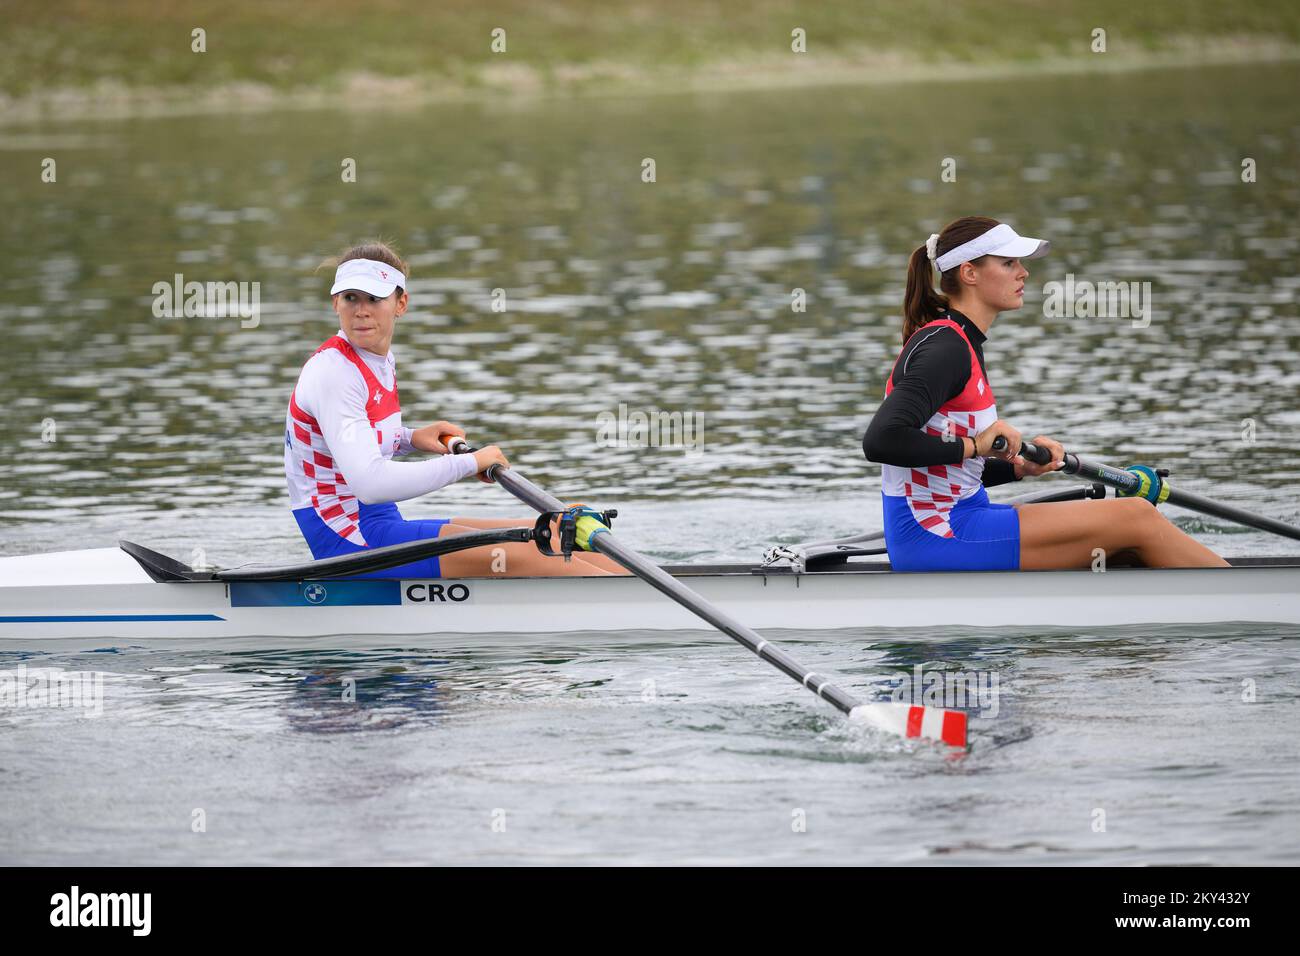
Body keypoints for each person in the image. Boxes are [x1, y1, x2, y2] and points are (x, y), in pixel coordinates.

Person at [862, 217, 1228, 572]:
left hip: (961, 517)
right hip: (936, 534)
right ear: (969, 273)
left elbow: (948, 473)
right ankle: (1241, 598)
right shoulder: (945, 349)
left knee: (1125, 546)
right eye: (1008, 263)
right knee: (1135, 516)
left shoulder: (959, 341)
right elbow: (882, 441)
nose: (1023, 273)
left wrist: (1018, 468)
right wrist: (977, 445)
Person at [285, 240, 625, 577]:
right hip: (349, 541)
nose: (361, 310)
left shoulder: (376, 359)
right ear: (335, 303)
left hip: (378, 522)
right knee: (534, 552)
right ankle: (635, 607)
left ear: (400, 304)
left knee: (560, 528)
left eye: (374, 298)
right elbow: (370, 484)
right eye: (350, 298)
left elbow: (350, 438)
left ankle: (635, 592)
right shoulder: (334, 372)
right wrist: (468, 463)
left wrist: (412, 438)